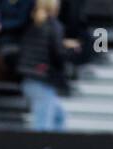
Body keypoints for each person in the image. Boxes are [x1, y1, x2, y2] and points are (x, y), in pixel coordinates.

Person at [18, 0, 76, 131]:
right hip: (42, 80)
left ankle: (57, 147)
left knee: (59, 116)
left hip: (28, 78)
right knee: (42, 125)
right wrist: (72, 51)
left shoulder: (32, 22)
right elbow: (58, 54)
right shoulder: (54, 25)